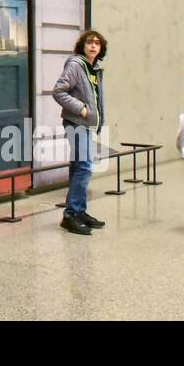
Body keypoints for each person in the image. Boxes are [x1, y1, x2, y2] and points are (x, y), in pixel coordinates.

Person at [52, 30, 107, 236]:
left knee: (78, 167)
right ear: (82, 46)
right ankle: (70, 214)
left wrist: (98, 119)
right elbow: (58, 91)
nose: (93, 46)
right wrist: (81, 109)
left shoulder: (94, 69)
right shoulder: (76, 65)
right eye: (89, 42)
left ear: (101, 49)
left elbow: (98, 99)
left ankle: (79, 212)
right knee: (85, 166)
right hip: (76, 122)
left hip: (85, 124)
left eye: (97, 44)